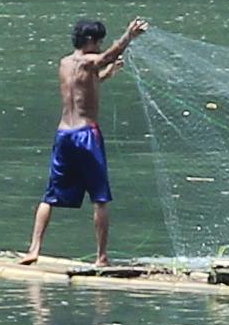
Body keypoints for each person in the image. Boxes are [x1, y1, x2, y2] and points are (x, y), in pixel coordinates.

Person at [21, 15, 147, 265]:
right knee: (100, 197)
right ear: (89, 40)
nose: (100, 46)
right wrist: (128, 37)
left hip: (64, 134)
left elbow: (83, 84)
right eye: (99, 41)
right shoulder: (90, 60)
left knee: (50, 196)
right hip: (86, 134)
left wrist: (107, 74)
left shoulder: (65, 63)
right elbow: (104, 58)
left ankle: (34, 249)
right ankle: (101, 257)